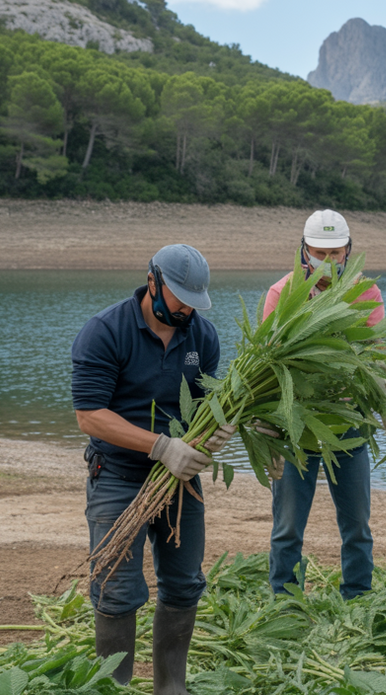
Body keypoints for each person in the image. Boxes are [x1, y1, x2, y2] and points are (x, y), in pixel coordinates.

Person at [72, 244, 235, 692]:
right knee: (117, 591)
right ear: (153, 281)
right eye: (179, 297)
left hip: (182, 481)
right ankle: (115, 687)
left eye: (193, 301)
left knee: (184, 585)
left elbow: (205, 404)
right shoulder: (105, 331)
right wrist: (162, 446)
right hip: (119, 477)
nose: (185, 309)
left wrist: (220, 428)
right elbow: (90, 414)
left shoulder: (202, 337)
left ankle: (170, 688)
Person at [263, 209, 386, 600]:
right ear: (303, 251)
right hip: (296, 426)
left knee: (357, 522)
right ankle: (284, 601)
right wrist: (267, 423)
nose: (328, 260)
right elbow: (270, 363)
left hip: (347, 421)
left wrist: (384, 391)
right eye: (319, 252)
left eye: (336, 253)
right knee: (288, 525)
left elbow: (375, 351)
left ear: (348, 251)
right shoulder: (283, 293)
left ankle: (357, 596)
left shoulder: (366, 293)